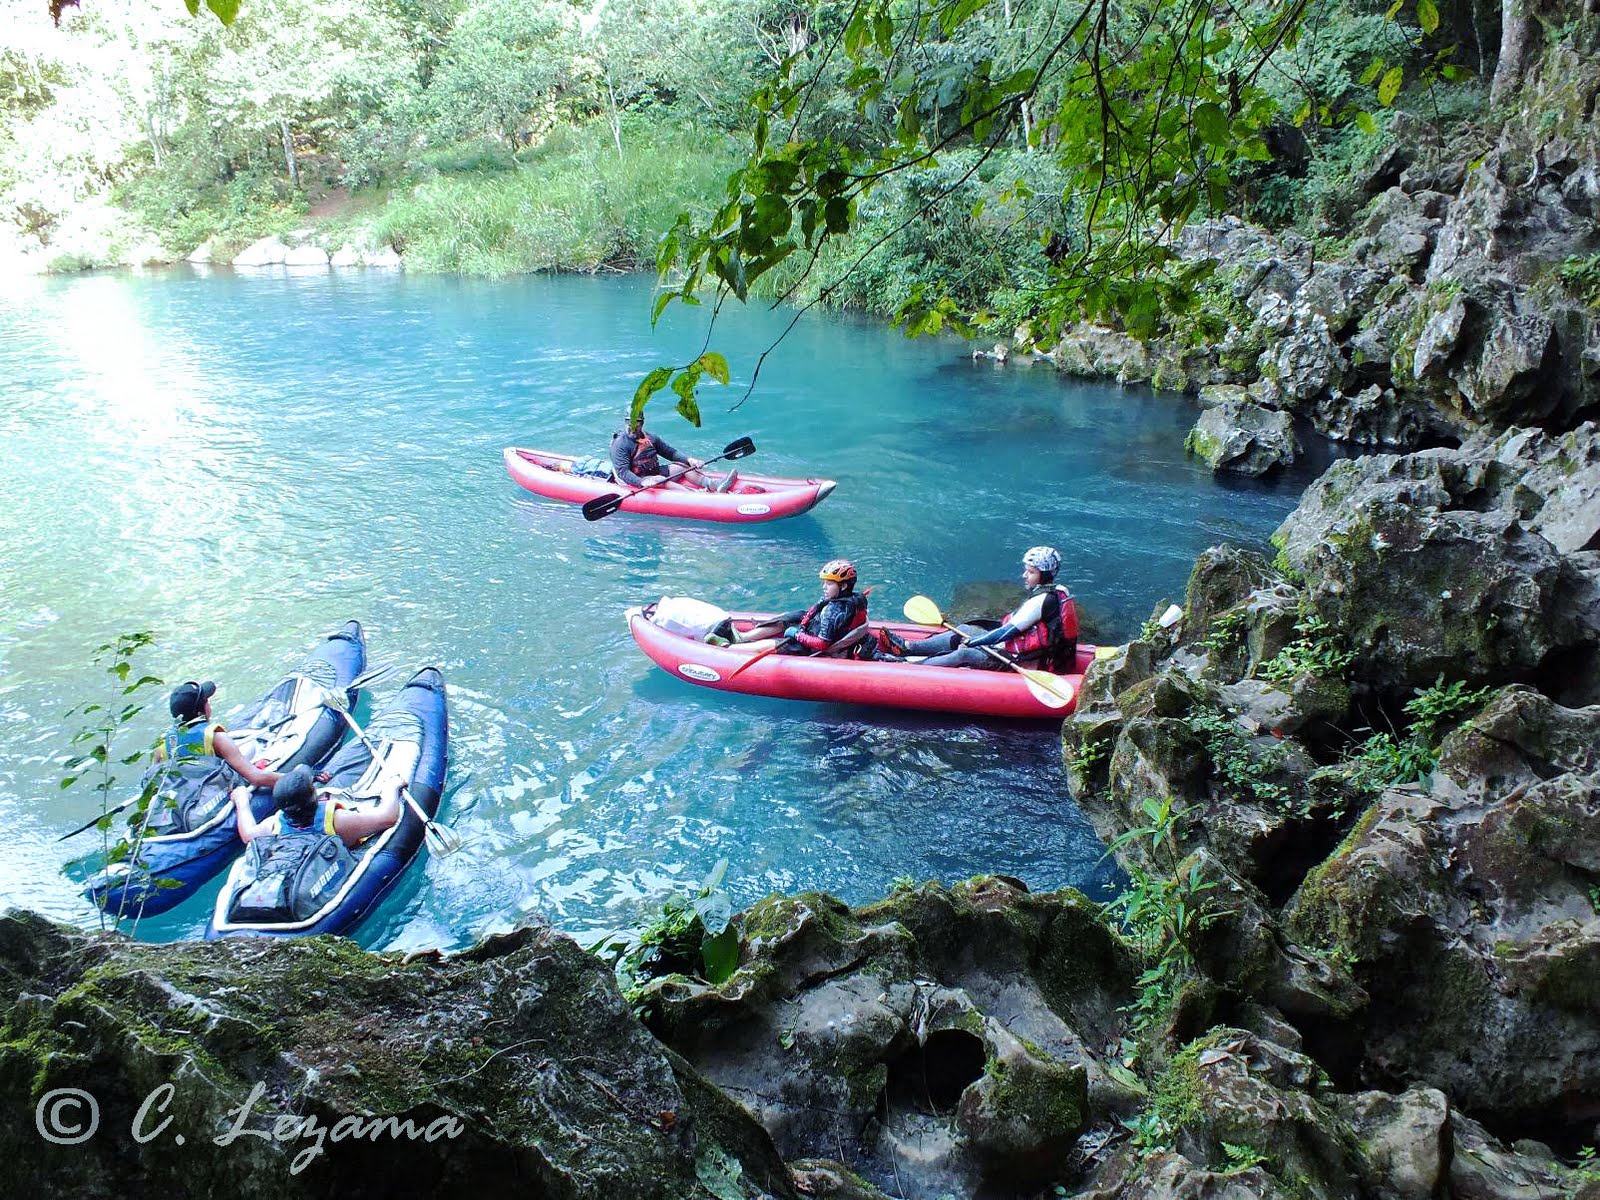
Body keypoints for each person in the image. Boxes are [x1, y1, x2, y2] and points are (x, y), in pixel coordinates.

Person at [885, 546, 1079, 671]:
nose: (1024, 575)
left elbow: (1006, 632)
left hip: (1027, 662)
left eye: (1031, 572)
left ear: (1044, 575)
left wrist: (976, 642)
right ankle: (908, 647)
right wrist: (975, 638)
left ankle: (909, 667)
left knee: (965, 653)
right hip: (1025, 652)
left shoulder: (1041, 601)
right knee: (965, 630)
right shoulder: (1059, 590)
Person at [232, 763, 403, 850]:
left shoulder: (274, 825)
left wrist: (242, 801)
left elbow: (248, 835)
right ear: (314, 795)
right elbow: (388, 818)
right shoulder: (338, 820)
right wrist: (391, 788)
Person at [735, 559, 880, 659]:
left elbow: (823, 644)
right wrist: (803, 623)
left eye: (829, 584)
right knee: (794, 616)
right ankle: (743, 638)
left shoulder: (833, 611)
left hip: (811, 645)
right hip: (819, 630)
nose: (824, 587)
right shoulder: (854, 598)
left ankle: (728, 648)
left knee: (770, 645)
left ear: (843, 586)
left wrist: (797, 634)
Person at [157, 679, 284, 790]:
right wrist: (297, 779)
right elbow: (256, 777)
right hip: (214, 799)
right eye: (206, 701)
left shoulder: (161, 746)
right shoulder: (216, 738)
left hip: (186, 803)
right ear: (201, 711)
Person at [610, 413, 718, 490]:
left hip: (652, 472)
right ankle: (694, 495)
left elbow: (670, 453)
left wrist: (690, 460)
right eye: (630, 426)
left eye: (636, 426)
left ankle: (711, 484)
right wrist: (641, 482)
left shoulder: (651, 438)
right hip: (635, 478)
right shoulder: (620, 444)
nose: (632, 430)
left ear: (641, 424)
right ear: (626, 423)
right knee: (660, 480)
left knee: (682, 466)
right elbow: (623, 472)